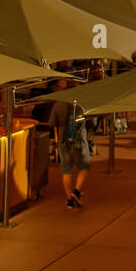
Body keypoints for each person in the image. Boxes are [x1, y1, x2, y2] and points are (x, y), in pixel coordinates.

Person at [48, 80, 90, 210]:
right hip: (79, 142)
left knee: (66, 170)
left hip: (63, 142)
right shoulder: (81, 105)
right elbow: (88, 120)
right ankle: (76, 191)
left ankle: (69, 198)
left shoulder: (58, 105)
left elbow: (51, 124)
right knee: (84, 166)